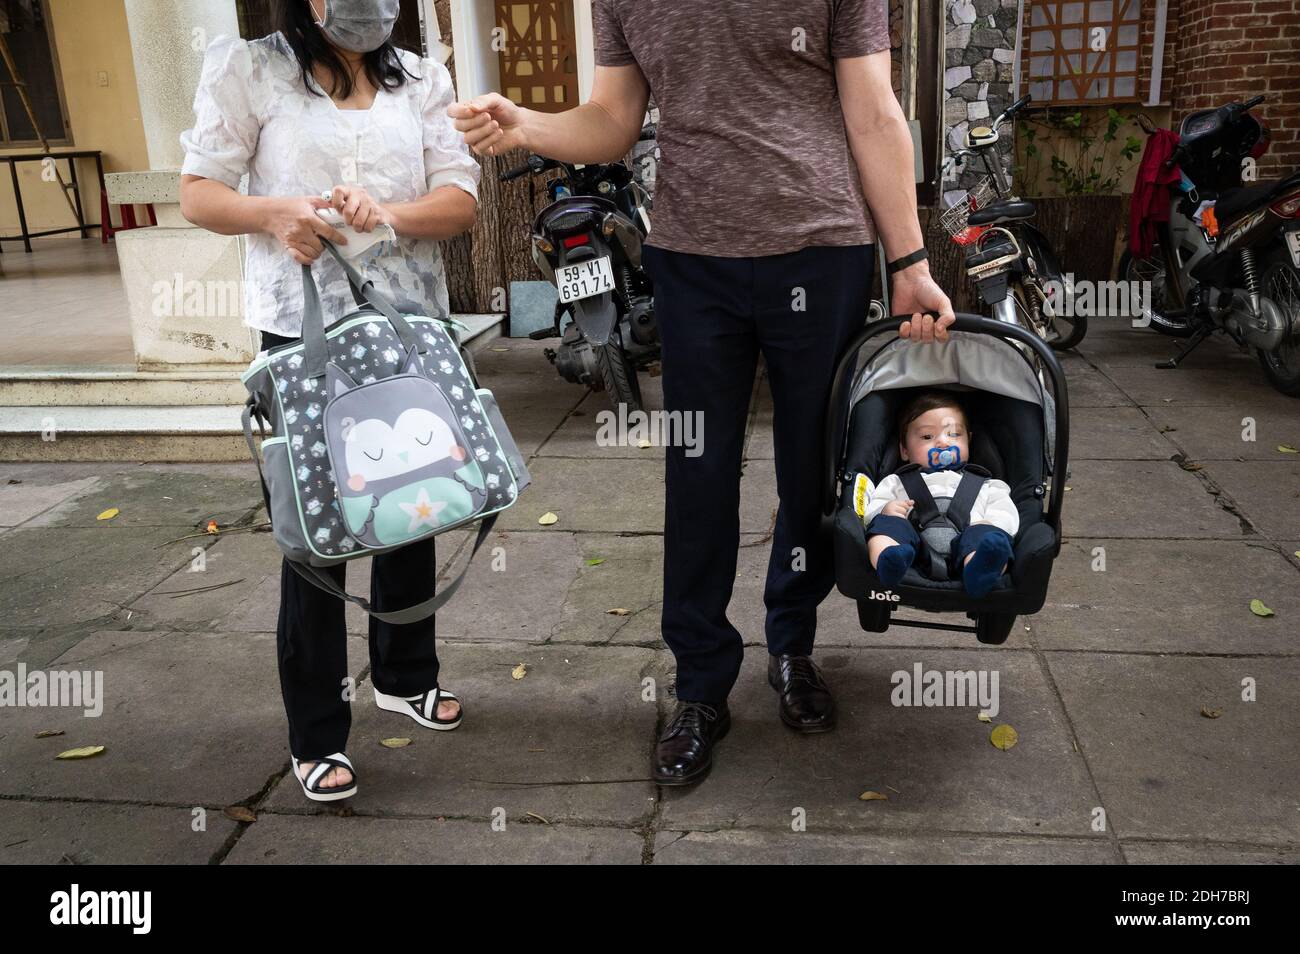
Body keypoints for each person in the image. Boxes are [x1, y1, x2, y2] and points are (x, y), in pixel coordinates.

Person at [449, 0, 955, 785]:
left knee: (810, 471)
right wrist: (526, 125)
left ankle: (792, 646)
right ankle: (700, 685)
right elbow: (613, 120)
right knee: (698, 475)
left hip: (820, 251)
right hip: (692, 261)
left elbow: (872, 108)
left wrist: (909, 261)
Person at [178, 0, 479, 802]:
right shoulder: (252, 70)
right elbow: (199, 193)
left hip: (406, 325)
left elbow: (460, 200)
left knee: (415, 497)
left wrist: (390, 214)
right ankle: (316, 728)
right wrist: (273, 212)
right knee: (315, 530)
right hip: (301, 332)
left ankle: (405, 673)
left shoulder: (420, 78)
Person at [862, 393, 1018, 598]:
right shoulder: (896, 481)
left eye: (953, 434)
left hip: (968, 543)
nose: (943, 443)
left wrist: (992, 523)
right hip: (913, 549)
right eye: (927, 437)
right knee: (886, 526)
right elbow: (872, 506)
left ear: (969, 440)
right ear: (904, 450)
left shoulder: (987, 485)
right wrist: (886, 509)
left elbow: (1006, 512)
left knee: (990, 538)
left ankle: (980, 569)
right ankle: (888, 560)